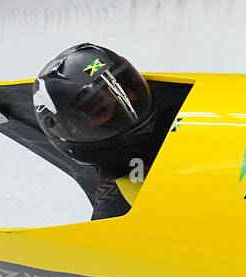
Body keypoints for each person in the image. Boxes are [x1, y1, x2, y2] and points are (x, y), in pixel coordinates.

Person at [32, 43, 159, 193]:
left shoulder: (176, 114)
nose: (124, 105)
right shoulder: (114, 209)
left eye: (121, 90)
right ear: (75, 130)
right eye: (101, 109)